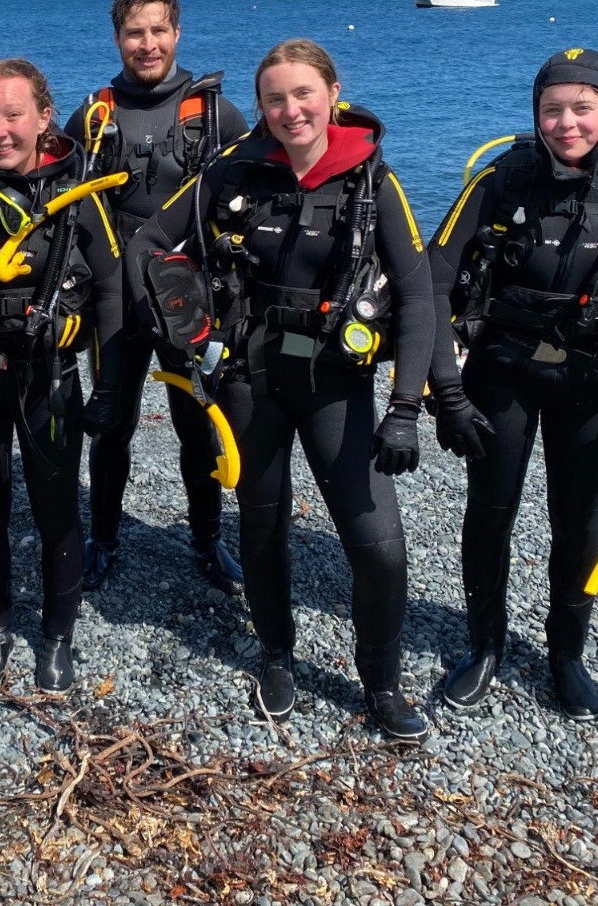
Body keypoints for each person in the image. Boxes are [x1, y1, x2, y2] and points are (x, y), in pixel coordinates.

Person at [127, 39, 434, 739]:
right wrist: (183, 324)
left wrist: (407, 408)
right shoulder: (233, 171)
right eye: (274, 98)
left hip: (335, 383)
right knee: (262, 525)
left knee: (378, 544)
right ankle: (276, 655)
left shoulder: (370, 180)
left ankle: (381, 683)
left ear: (332, 93)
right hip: (247, 377)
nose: (290, 110)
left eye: (303, 94)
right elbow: (146, 241)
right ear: (260, 107)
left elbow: (418, 297)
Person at [429, 48, 598, 720]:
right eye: (553, 109)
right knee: (490, 508)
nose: (566, 123)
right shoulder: (502, 180)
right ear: (535, 113)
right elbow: (434, 274)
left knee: (576, 522)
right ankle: (485, 645)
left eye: (582, 108)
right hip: (502, 370)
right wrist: (442, 383)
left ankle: (566, 653)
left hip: (590, 378)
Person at [0, 58, 123, 693]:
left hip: (48, 376)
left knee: (56, 509)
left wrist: (112, 385)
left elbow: (114, 290)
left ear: (43, 116)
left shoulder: (79, 195)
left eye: (13, 115)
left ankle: (57, 637)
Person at [64, 0, 249, 594]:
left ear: (177, 33)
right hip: (114, 301)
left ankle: (206, 540)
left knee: (197, 422)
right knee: (111, 422)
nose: (147, 44)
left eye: (158, 30)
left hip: (185, 301)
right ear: (117, 38)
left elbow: (244, 212)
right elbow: (65, 209)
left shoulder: (215, 113)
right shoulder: (94, 116)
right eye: (134, 33)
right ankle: (104, 537)